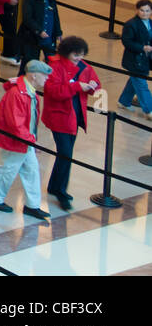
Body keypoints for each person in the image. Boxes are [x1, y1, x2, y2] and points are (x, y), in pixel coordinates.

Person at [0, 59, 54, 224]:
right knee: (8, 168)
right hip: (16, 140)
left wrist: (31, 141)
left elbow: (28, 121)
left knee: (32, 171)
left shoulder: (29, 91)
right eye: (45, 75)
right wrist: (32, 141)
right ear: (34, 76)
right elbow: (16, 123)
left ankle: (32, 205)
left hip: (24, 140)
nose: (47, 79)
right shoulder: (18, 93)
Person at [41, 36, 100, 211]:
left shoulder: (84, 67)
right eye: (76, 55)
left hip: (75, 117)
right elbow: (53, 91)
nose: (79, 58)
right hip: (59, 117)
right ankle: (60, 191)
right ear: (67, 53)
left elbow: (96, 83)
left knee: (65, 154)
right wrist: (77, 87)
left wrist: (93, 85)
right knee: (66, 154)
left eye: (81, 55)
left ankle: (54, 186)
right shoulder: (54, 67)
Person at [17, 0, 62, 76]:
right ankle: (22, 81)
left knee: (52, 60)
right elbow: (27, 18)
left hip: (49, 36)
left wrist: (58, 32)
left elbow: (55, 15)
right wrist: (39, 30)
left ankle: (50, 82)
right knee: (29, 61)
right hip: (32, 36)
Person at [118, 0, 152, 118]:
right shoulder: (131, 24)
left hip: (145, 60)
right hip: (134, 60)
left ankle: (124, 101)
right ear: (137, 10)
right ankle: (149, 110)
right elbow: (126, 42)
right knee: (142, 85)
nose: (145, 13)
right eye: (142, 10)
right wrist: (142, 48)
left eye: (147, 10)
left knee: (135, 81)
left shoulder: (150, 23)